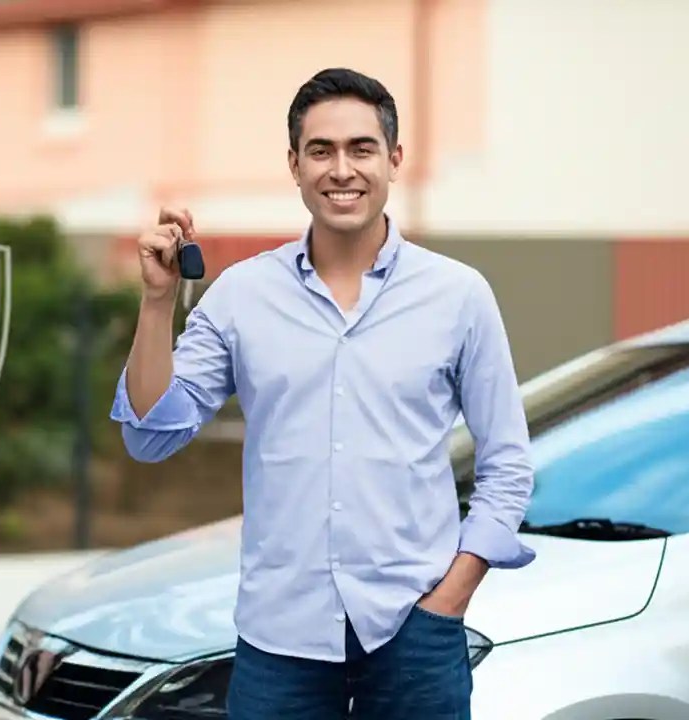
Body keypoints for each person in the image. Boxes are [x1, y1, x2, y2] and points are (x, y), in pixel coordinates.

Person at [109, 67, 536, 719]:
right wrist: (158, 302)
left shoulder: (459, 296)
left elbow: (507, 462)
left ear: (394, 159)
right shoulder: (243, 296)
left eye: (361, 148)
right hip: (281, 644)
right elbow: (149, 434)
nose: (342, 169)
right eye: (321, 150)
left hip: (414, 636)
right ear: (294, 164)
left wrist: (451, 595)